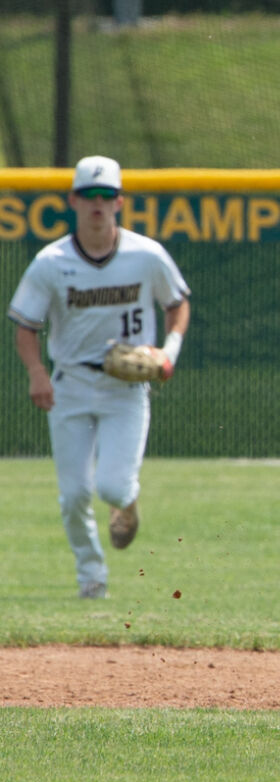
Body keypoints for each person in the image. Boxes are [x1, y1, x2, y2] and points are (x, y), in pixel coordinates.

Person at [8, 155, 191, 599]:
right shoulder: (50, 262)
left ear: (119, 202)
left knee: (110, 486)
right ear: (72, 199)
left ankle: (126, 504)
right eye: (89, 195)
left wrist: (169, 351)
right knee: (73, 496)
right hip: (70, 385)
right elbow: (25, 326)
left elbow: (177, 303)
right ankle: (92, 579)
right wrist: (36, 373)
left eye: (106, 195)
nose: (97, 203)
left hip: (125, 390)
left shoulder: (145, 255)